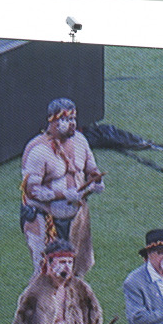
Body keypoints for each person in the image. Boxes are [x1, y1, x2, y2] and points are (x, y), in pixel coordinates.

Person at [20, 97, 104, 277]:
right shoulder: (38, 150)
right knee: (46, 271)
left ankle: (72, 304)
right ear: (52, 120)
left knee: (75, 269)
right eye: (66, 120)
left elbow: (91, 167)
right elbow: (31, 190)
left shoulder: (80, 140)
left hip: (76, 217)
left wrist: (96, 180)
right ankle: (39, 304)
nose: (72, 124)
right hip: (44, 219)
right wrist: (64, 194)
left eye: (73, 119)